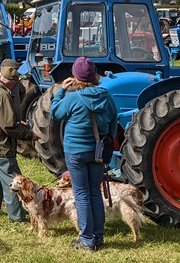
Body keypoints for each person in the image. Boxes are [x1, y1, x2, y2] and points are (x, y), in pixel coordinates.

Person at [50, 57, 118, 251]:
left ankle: (87, 239)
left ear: (75, 76)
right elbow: (113, 122)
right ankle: (98, 237)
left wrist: (62, 90)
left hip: (76, 151)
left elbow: (55, 113)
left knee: (81, 194)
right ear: (95, 75)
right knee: (95, 192)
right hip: (98, 151)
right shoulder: (107, 96)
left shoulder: (72, 97)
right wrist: (106, 143)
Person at [0, 59, 40, 222]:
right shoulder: (3, 94)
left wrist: (18, 123)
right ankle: (17, 216)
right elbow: (9, 126)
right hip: (1, 145)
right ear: (12, 82)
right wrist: (30, 135)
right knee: (12, 183)